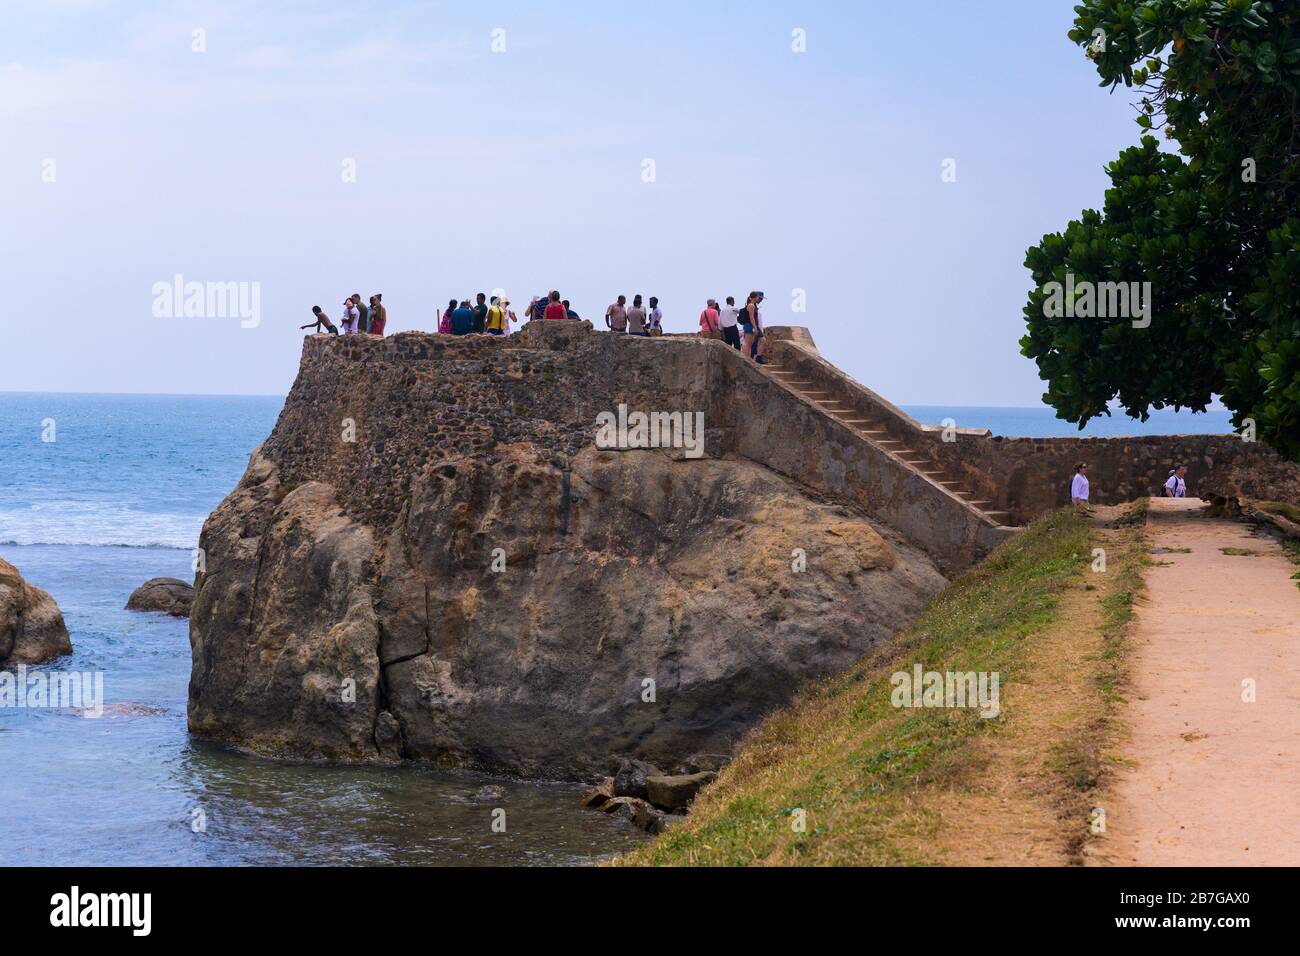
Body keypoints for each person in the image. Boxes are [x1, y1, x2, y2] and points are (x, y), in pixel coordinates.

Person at [750, 291, 768, 364]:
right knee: (761, 341)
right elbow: (751, 317)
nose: (761, 300)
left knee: (756, 342)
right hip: (755, 327)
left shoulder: (755, 305)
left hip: (757, 327)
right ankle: (757, 358)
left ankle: (756, 358)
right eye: (760, 298)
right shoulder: (752, 305)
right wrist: (754, 327)